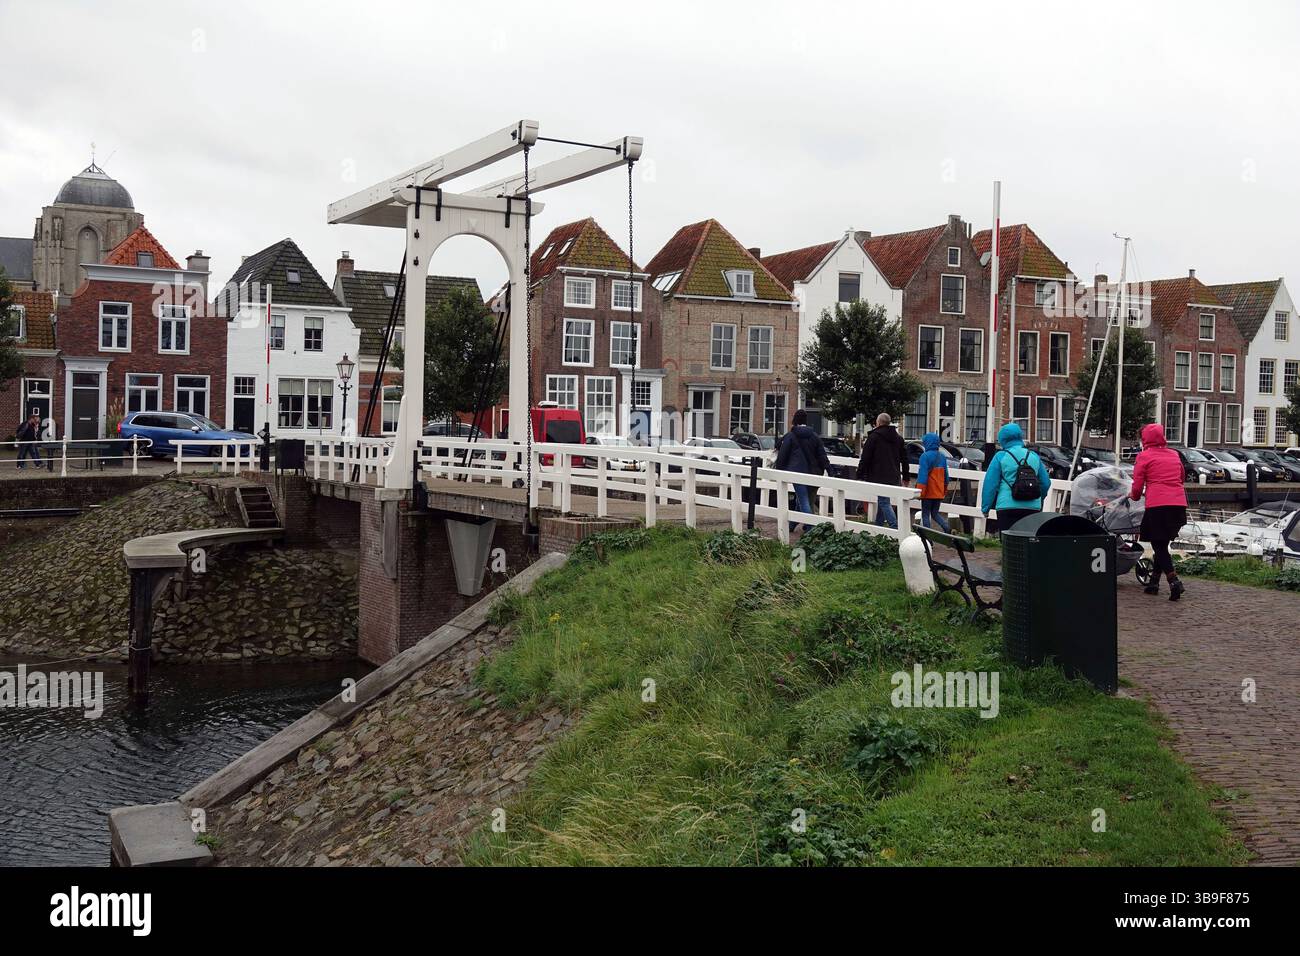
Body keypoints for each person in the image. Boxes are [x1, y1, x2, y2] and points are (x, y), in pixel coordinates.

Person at [1129, 422, 1187, 600]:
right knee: (1163, 544)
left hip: (1158, 505)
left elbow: (1138, 485)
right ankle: (1154, 582)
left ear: (1145, 439)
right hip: (1178, 504)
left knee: (1158, 545)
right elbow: (1182, 477)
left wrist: (1134, 496)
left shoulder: (1144, 457)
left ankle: (1173, 581)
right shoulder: (1174, 455)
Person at [980, 422, 1051, 532]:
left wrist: (985, 508)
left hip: (1007, 507)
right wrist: (1039, 498)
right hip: (1032, 508)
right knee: (1028, 542)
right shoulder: (1033, 456)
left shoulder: (1000, 456)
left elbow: (990, 484)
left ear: (1002, 439)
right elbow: (1045, 482)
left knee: (1008, 543)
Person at [775, 408, 831, 534]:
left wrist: (779, 471)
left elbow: (782, 454)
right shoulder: (815, 436)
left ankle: (811, 529)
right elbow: (822, 455)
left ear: (794, 420)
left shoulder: (791, 435)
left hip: (798, 473)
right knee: (800, 501)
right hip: (814, 473)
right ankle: (792, 525)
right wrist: (830, 471)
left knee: (803, 501)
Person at [857, 412, 907, 528]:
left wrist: (859, 474)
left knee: (884, 502)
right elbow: (904, 459)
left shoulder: (873, 437)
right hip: (894, 476)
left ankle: (895, 529)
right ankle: (878, 527)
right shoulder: (899, 438)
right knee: (882, 501)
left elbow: (865, 458)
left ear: (878, 423)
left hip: (879, 476)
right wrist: (906, 477)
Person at [915, 432, 951, 532]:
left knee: (925, 514)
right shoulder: (942, 457)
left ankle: (928, 537)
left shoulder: (924, 456)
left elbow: (923, 477)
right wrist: (944, 490)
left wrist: (920, 493)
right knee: (935, 513)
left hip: (928, 492)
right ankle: (946, 527)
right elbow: (946, 476)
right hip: (938, 492)